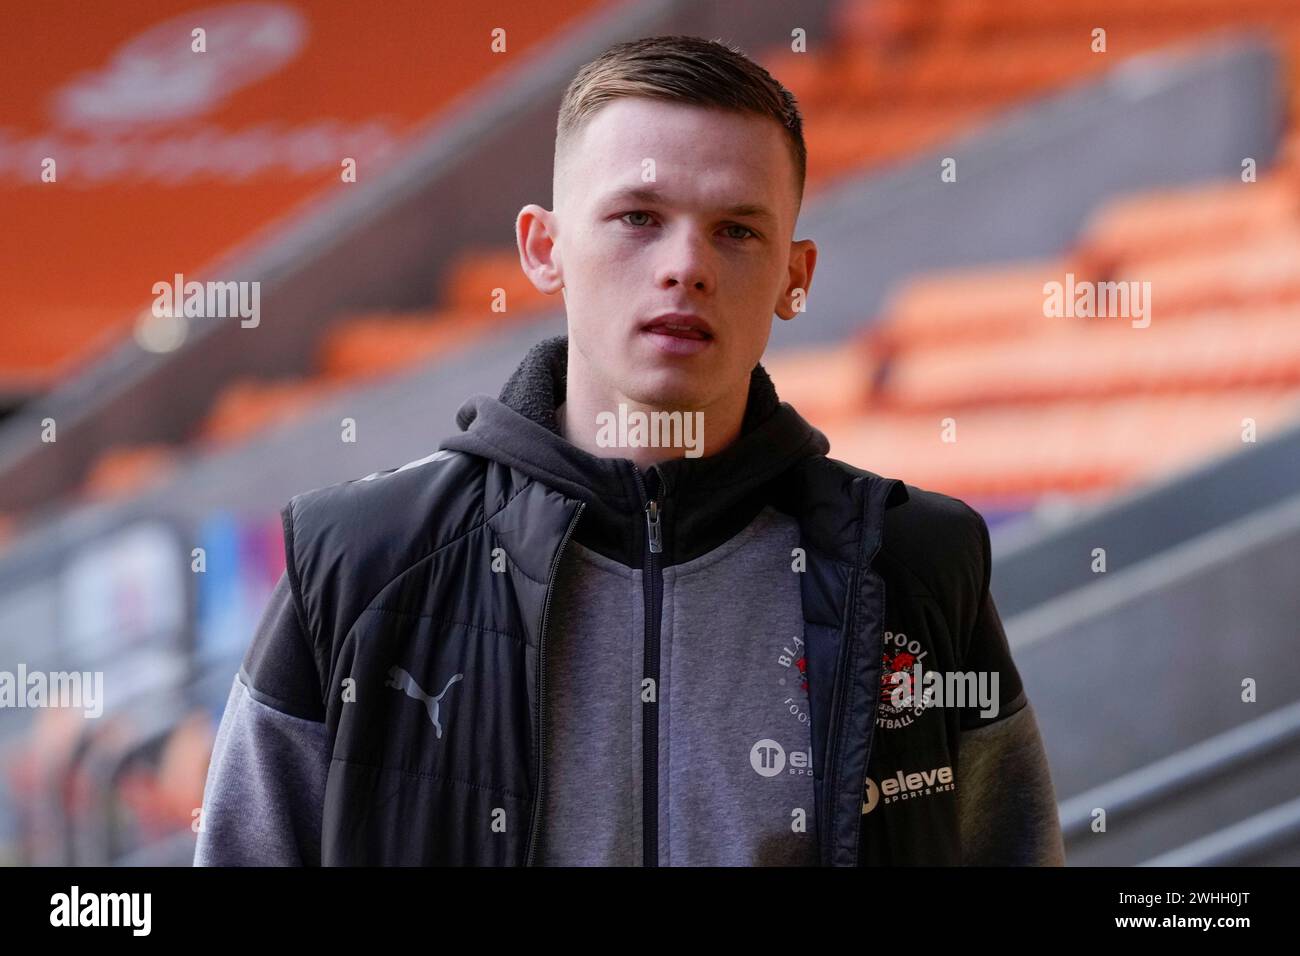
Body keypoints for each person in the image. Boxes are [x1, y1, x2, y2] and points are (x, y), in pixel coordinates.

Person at [194, 33, 1065, 867]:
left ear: (795, 276)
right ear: (545, 249)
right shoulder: (357, 561)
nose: (686, 265)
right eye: (639, 217)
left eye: (737, 231)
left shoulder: (912, 563)